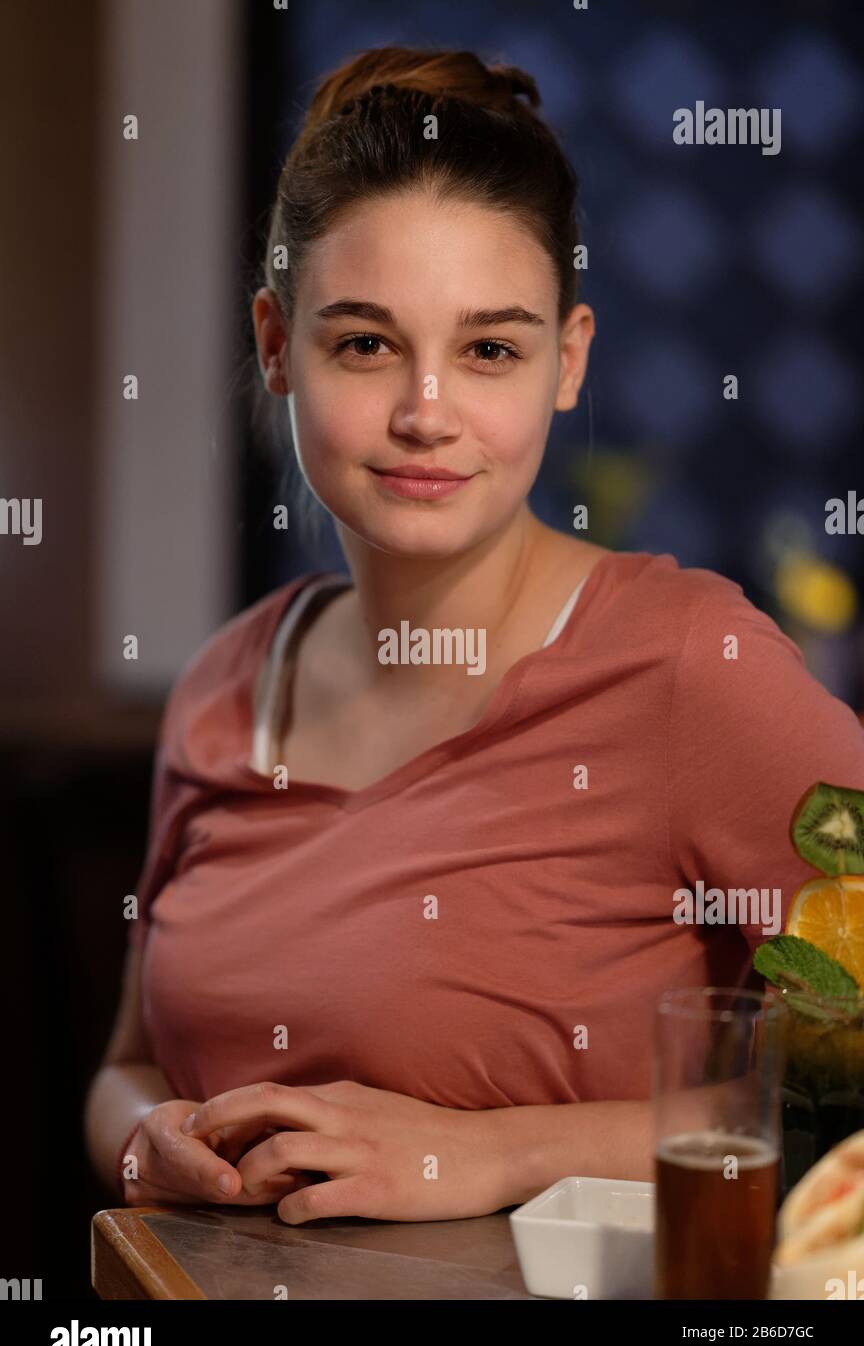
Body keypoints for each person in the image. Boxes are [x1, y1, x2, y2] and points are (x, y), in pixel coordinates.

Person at [85, 45, 864, 1226]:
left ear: (569, 359)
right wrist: (148, 1143)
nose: (424, 414)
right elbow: (127, 1066)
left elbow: (842, 1090)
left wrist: (487, 1153)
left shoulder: (690, 666)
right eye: (364, 342)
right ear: (274, 344)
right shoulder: (225, 684)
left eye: (489, 348)